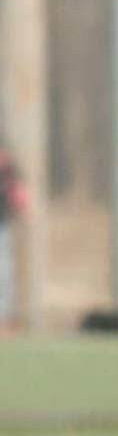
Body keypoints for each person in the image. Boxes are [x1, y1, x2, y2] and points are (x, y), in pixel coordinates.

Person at [0, 138, 29, 332]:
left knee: (4, 271)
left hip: (2, 224)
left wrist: (22, 206)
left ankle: (3, 318)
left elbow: (19, 194)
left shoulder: (9, 169)